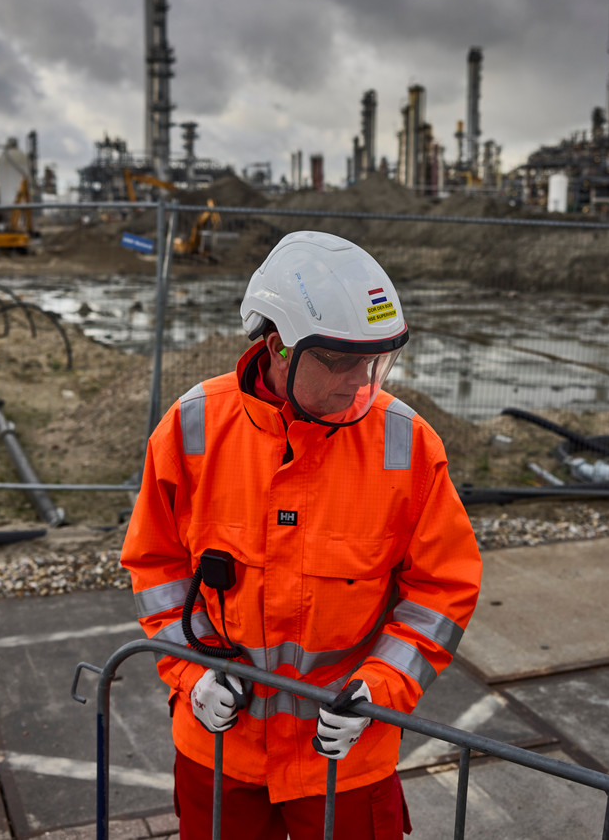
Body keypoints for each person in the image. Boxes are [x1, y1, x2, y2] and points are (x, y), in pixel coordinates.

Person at [120, 230, 482, 839]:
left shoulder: (407, 446)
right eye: (341, 360)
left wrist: (380, 690)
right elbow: (156, 569)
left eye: (374, 360)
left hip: (346, 753)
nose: (360, 380)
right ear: (278, 349)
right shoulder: (192, 427)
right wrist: (193, 672)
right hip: (220, 748)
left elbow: (441, 592)